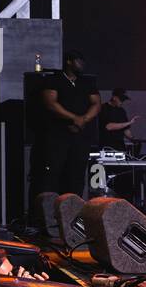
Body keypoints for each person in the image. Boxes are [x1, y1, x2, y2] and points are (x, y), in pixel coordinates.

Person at [32, 51, 100, 200]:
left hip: (80, 136)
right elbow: (50, 103)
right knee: (53, 174)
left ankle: (74, 212)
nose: (82, 64)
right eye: (78, 60)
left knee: (77, 175)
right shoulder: (54, 80)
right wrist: (74, 118)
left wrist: (83, 119)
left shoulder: (86, 82)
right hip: (58, 136)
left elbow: (96, 103)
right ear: (69, 62)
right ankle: (50, 216)